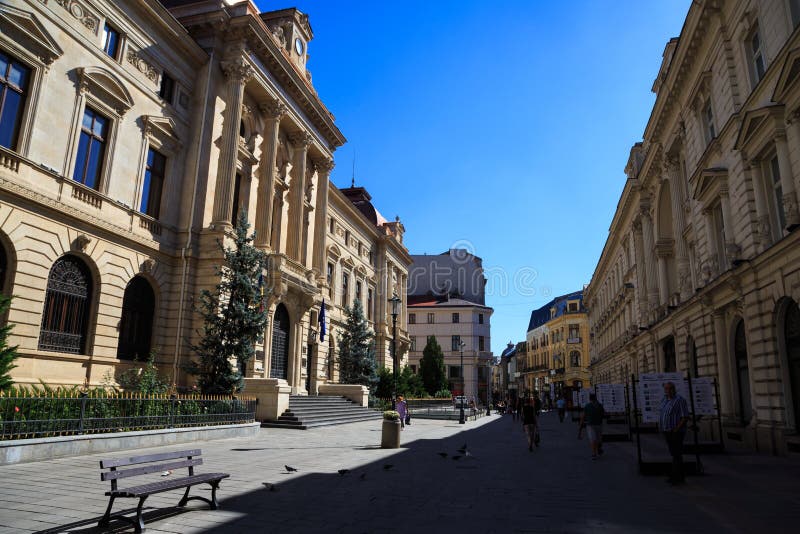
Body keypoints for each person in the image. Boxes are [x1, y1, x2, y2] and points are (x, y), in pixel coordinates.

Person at [659, 381, 690, 485]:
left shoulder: (680, 400)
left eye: (670, 389)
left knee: (677, 454)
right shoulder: (664, 400)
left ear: (674, 389)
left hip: (676, 432)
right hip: (667, 431)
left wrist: (676, 429)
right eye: (666, 389)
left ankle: (676, 476)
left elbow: (685, 416)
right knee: (674, 454)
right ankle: (679, 475)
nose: (668, 391)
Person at [579, 393, 605, 459]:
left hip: (590, 425)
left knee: (593, 439)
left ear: (589, 399)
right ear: (596, 398)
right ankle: (597, 449)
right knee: (598, 438)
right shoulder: (600, 405)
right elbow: (603, 414)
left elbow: (583, 416)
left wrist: (581, 424)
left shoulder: (587, 406)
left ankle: (594, 453)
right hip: (599, 424)